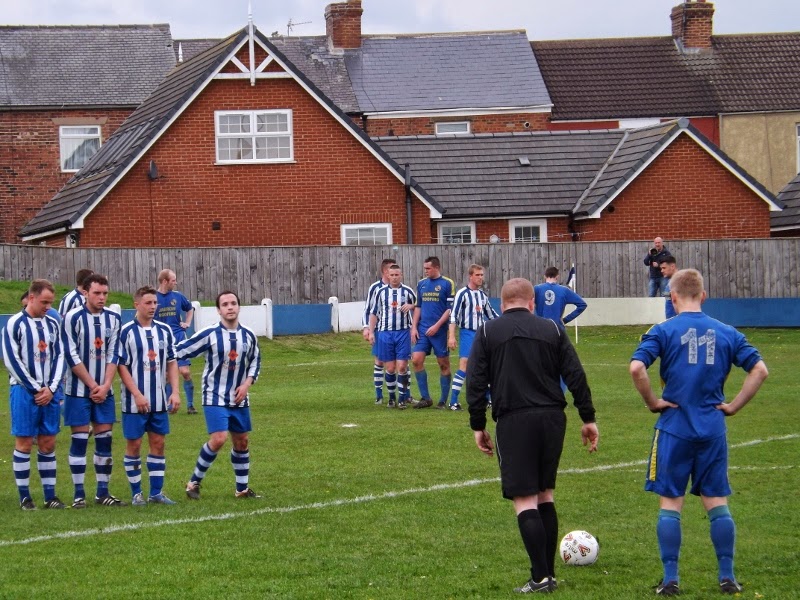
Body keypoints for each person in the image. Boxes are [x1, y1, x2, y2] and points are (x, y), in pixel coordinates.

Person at [630, 268, 768, 596]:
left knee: (670, 503)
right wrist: (733, 406)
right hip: (712, 429)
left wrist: (653, 402)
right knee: (717, 501)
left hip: (674, 428)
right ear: (703, 296)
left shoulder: (662, 330)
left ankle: (671, 580)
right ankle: (727, 577)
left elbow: (637, 368)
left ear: (672, 297)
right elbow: (760, 370)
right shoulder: (727, 332)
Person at [466, 278, 599, 593]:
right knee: (544, 494)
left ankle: (540, 578)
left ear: (502, 305)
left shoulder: (488, 331)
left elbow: (475, 381)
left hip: (514, 419)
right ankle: (547, 574)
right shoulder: (552, 329)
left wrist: (478, 425)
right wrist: (588, 417)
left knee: (525, 498)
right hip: (552, 419)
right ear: (532, 303)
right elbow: (575, 374)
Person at [177, 290, 262, 500]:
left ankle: (242, 490)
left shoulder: (248, 335)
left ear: (239, 307)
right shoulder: (210, 334)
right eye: (225, 304)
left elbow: (255, 360)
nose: (230, 307)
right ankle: (193, 483)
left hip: (239, 397)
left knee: (242, 441)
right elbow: (181, 350)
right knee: (219, 438)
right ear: (218, 310)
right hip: (214, 396)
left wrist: (247, 384)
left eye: (233, 303)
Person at [62, 273, 125, 508]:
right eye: (97, 293)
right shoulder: (72, 317)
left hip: (104, 391)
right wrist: (92, 385)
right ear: (85, 292)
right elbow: (70, 355)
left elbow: (114, 353)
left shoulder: (113, 319)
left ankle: (102, 493)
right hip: (78, 391)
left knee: (104, 441)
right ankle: (79, 494)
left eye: (105, 293)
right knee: (79, 441)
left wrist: (106, 385)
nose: (101, 297)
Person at [3, 280, 66, 510]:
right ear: (31, 298)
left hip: (49, 392)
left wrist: (51, 388)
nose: (48, 307)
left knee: (48, 442)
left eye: (51, 303)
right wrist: (36, 388)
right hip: (24, 391)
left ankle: (50, 496)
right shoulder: (14, 324)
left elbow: (60, 356)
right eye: (44, 302)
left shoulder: (53, 324)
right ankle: (25, 497)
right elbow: (11, 360)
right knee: (25, 442)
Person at [118, 286, 181, 506]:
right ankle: (136, 493)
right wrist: (136, 394)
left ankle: (156, 493)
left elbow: (172, 362)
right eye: (148, 303)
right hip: (133, 402)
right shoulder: (126, 331)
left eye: (155, 302)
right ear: (136, 305)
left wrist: (175, 392)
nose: (153, 306)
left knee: (158, 443)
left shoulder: (164, 330)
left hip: (159, 400)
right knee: (134, 445)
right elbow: (121, 366)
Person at [447, 264, 499, 411]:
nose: (480, 277)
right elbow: (453, 315)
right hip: (467, 333)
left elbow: (492, 315)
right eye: (477, 275)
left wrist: (507, 321)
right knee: (464, 365)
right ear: (470, 276)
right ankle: (453, 401)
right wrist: (451, 336)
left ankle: (488, 399)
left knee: (486, 366)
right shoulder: (462, 294)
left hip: (482, 334)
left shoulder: (482, 295)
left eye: (482, 275)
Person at [368, 264, 417, 409]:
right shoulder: (380, 292)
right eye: (392, 275)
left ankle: (402, 399)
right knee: (389, 368)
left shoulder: (408, 291)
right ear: (387, 276)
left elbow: (418, 306)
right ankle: (391, 397)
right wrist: (371, 332)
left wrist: (411, 306)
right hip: (385, 334)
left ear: (401, 275)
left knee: (402, 366)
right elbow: (373, 312)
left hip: (403, 333)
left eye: (397, 275)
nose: (394, 278)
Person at [411, 256, 455, 409]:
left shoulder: (447, 283)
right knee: (416, 360)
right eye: (425, 268)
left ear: (436, 267)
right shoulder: (421, 284)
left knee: (443, 364)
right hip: (423, 329)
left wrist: (437, 326)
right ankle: (426, 398)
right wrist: (414, 327)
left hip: (440, 331)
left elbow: (450, 309)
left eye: (428, 268)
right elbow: (418, 306)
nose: (426, 271)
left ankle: (442, 400)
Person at [156, 269, 197, 414]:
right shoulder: (153, 298)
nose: (176, 283)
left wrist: (187, 323)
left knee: (185, 371)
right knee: (167, 376)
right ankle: (169, 406)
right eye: (173, 280)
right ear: (165, 281)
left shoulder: (178, 296)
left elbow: (190, 309)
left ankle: (190, 405)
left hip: (179, 338)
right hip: (162, 340)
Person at [362, 258, 395, 405]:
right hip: (380, 330)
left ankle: (405, 395)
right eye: (391, 269)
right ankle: (379, 395)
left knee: (401, 362)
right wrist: (367, 328)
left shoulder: (400, 288)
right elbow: (368, 309)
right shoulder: (375, 288)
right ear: (385, 271)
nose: (394, 273)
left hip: (398, 330)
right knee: (380, 361)